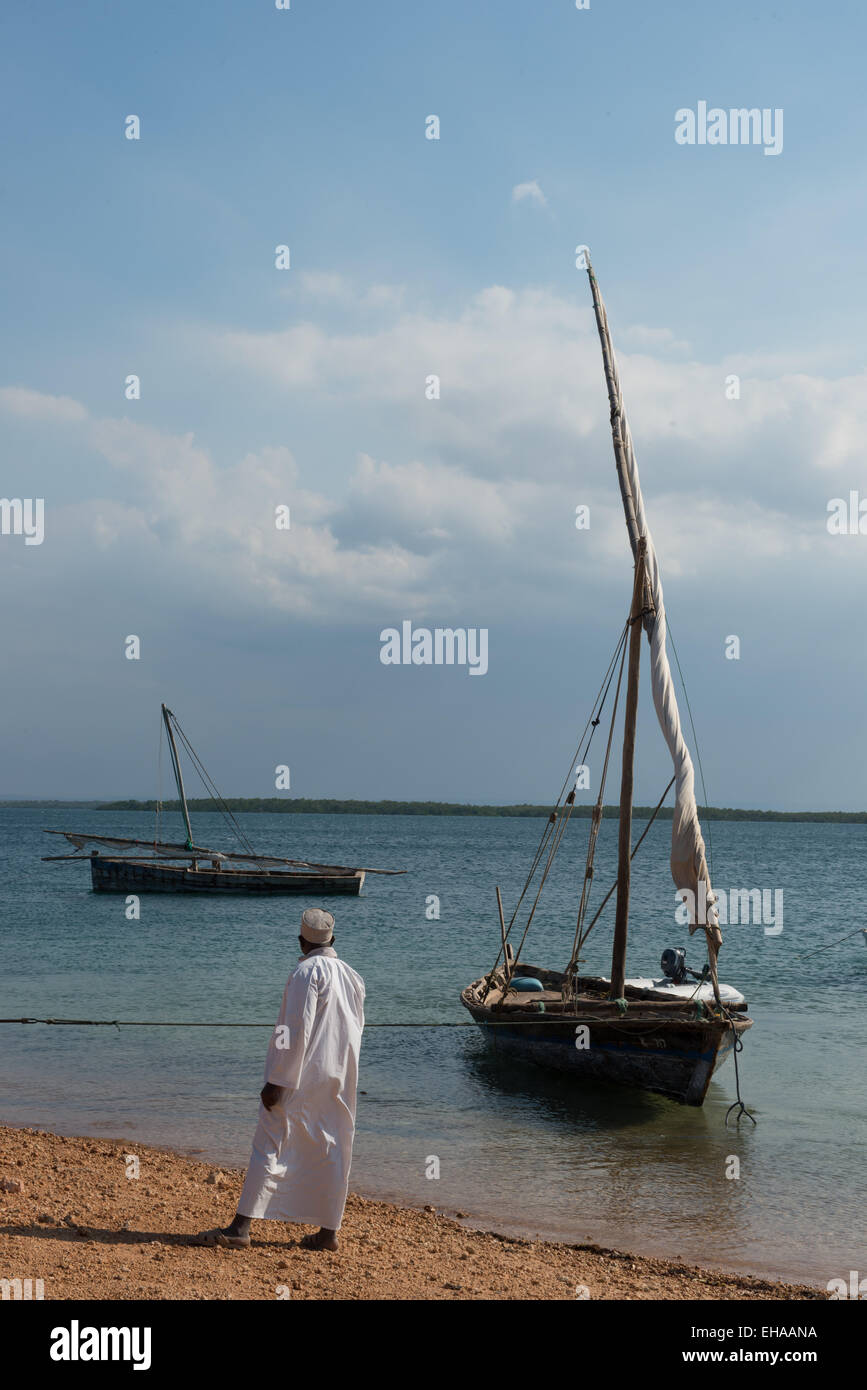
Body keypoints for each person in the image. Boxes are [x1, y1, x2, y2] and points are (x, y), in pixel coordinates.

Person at [199, 907, 365, 1252]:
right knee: (332, 1146)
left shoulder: (305, 972)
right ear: (333, 939)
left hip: (301, 1076)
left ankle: (241, 1227)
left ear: (301, 941)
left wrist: (277, 1081)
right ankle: (328, 1233)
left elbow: (293, 1031)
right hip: (339, 1075)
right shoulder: (353, 976)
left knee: (270, 1141)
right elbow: (353, 1032)